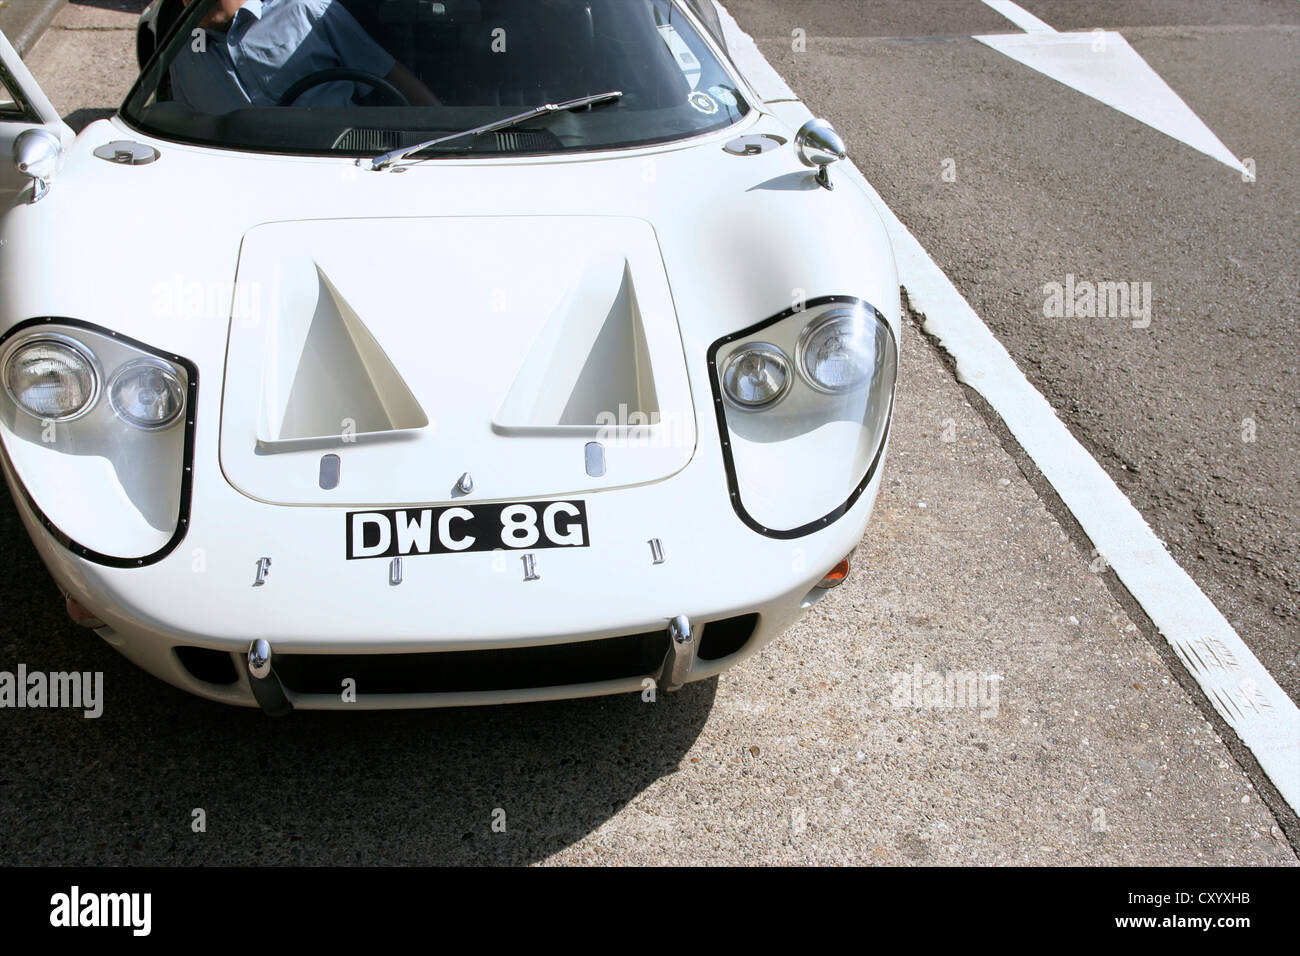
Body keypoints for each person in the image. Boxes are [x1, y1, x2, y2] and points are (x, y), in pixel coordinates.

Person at [170, 0, 438, 112]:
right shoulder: (186, 48)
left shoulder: (305, 12)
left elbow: (390, 75)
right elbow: (179, 120)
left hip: (336, 160)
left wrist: (452, 135)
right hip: (239, 177)